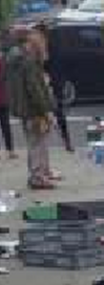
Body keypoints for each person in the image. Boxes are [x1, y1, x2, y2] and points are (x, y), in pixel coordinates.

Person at [5, 29, 56, 189]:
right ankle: (37, 178)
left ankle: (38, 175)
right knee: (37, 142)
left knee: (33, 142)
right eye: (36, 42)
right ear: (28, 43)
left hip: (24, 108)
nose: (39, 44)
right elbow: (35, 89)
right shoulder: (28, 62)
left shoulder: (14, 59)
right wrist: (46, 110)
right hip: (33, 109)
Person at [33, 23, 72, 153]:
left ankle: (66, 141)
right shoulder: (42, 46)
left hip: (52, 82)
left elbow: (50, 63)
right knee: (46, 114)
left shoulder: (51, 46)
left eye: (36, 34)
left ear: (42, 34)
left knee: (57, 112)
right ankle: (57, 142)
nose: (34, 37)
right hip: (48, 82)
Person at [0, 38, 15, 159]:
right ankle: (10, 151)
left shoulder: (3, 60)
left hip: (3, 97)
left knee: (5, 125)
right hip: (3, 97)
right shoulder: (4, 60)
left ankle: (10, 150)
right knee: (5, 125)